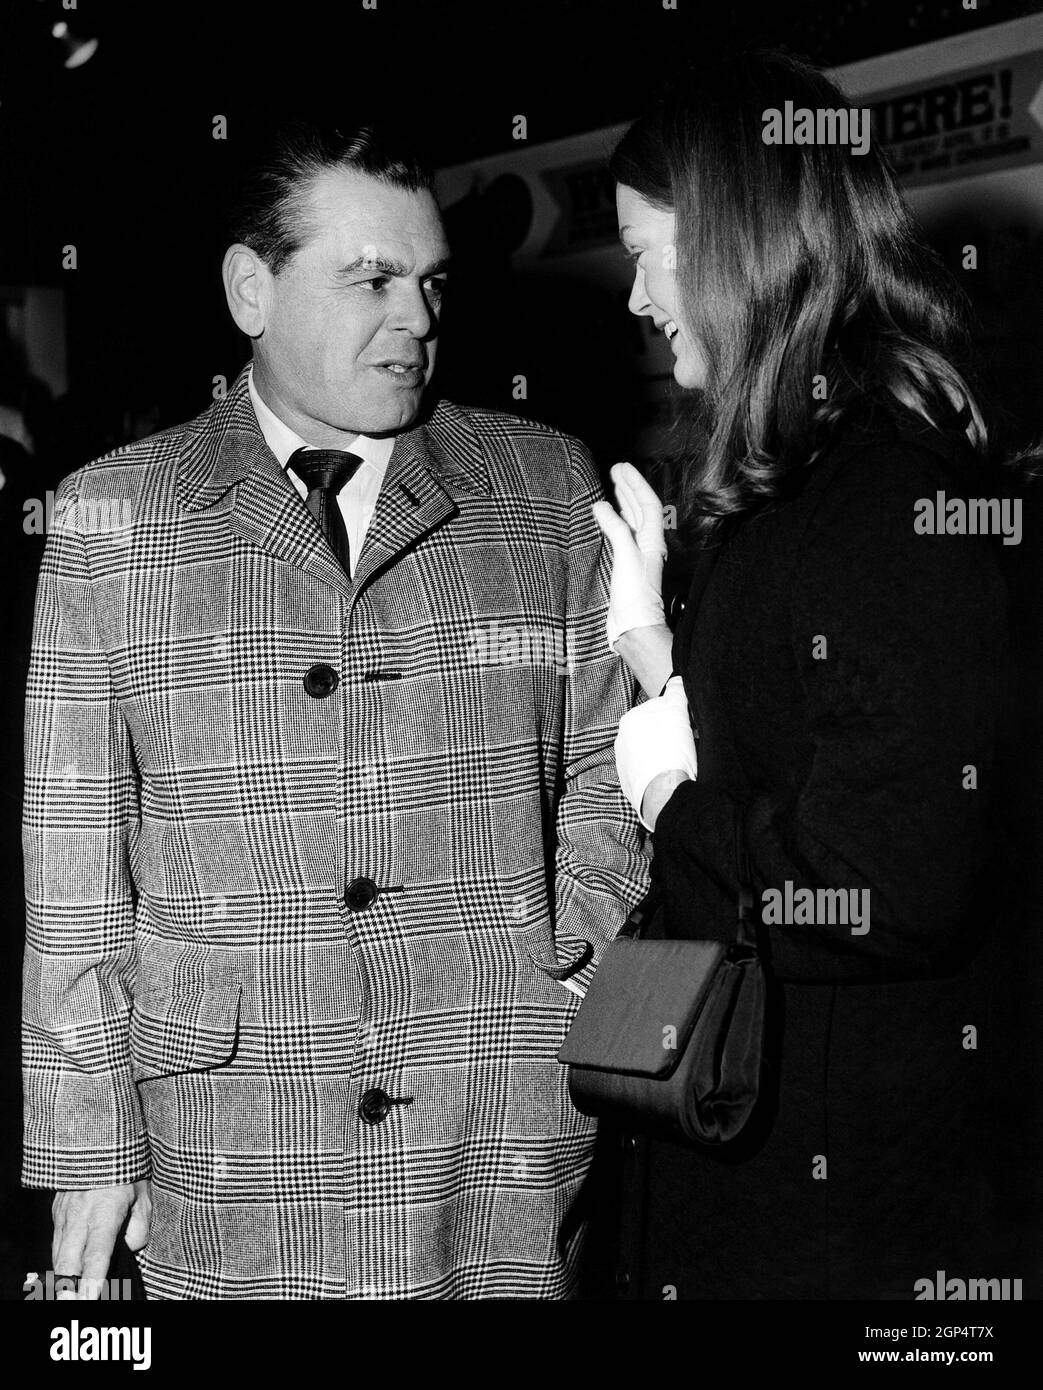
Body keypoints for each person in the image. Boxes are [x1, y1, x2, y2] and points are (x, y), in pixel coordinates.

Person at [22, 119, 649, 1300]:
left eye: (429, 282)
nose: (415, 317)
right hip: (224, 1146)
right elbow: (71, 868)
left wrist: (560, 979)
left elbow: (604, 783)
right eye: (371, 279)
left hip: (492, 1139)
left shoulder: (542, 485)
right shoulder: (113, 519)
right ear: (250, 289)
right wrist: (89, 1146)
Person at [592, 50, 1021, 1299]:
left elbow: (884, 883)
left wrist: (670, 800)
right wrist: (657, 656)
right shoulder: (810, 478)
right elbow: (810, 737)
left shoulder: (885, 494)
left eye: (645, 248)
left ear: (731, 237)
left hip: (841, 1218)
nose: (631, 293)